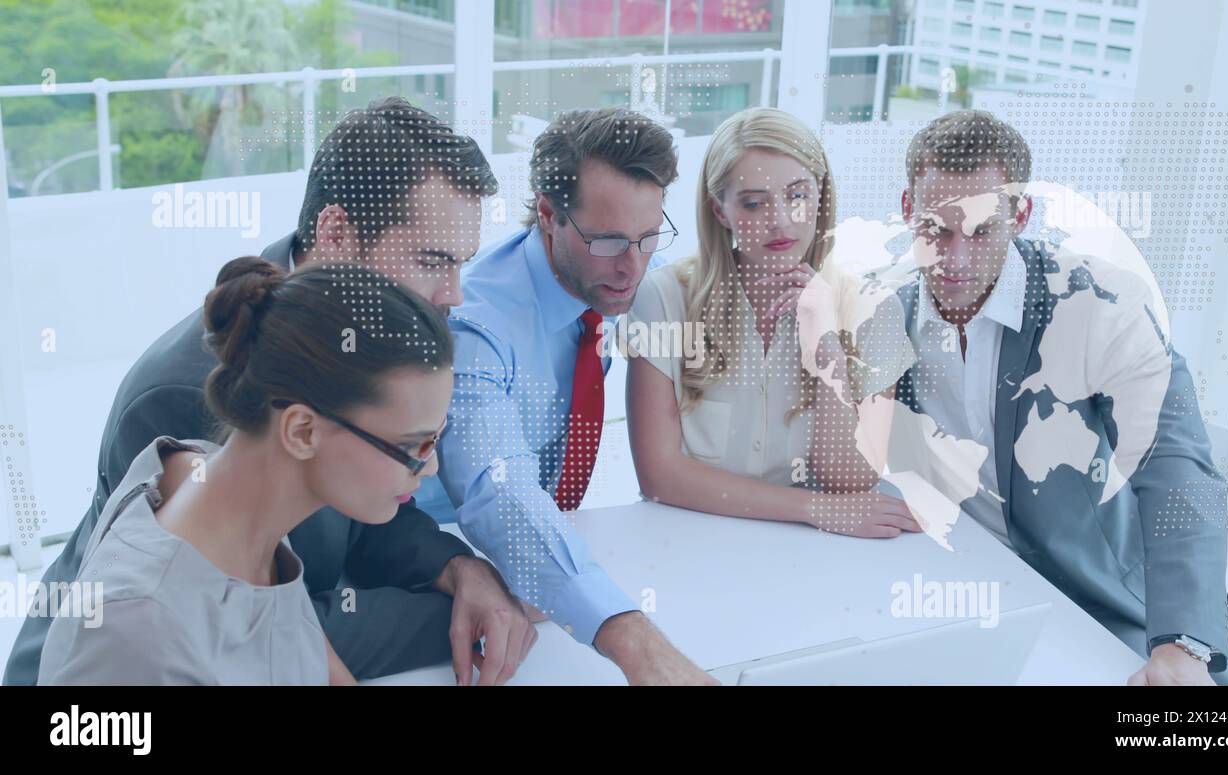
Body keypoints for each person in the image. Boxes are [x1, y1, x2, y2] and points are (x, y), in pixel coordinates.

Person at [6, 97, 534, 687]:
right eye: (434, 260)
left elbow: (353, 505)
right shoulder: (190, 395)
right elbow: (263, 630)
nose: (455, 294)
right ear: (336, 232)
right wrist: (469, 615)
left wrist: (460, 569)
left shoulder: (355, 356)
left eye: (464, 263)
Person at [39, 257, 509, 684]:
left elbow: (298, 643)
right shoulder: (140, 630)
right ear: (302, 431)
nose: (431, 468)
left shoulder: (235, 504)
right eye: (413, 445)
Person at [891, 109, 1228, 685]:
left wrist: (1184, 643)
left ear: (1020, 214)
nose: (954, 259)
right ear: (907, 209)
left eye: (980, 231)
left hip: (1099, 602)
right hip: (960, 594)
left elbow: (1179, 468)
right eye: (936, 230)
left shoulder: (1099, 306)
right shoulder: (890, 318)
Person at [418, 107, 715, 684]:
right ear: (549, 215)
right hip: (451, 575)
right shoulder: (477, 328)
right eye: (607, 241)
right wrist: (633, 640)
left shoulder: (595, 283)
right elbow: (498, 492)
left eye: (649, 237)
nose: (633, 267)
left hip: (546, 571)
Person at [624, 107, 918, 537]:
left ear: (821, 193)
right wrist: (816, 508)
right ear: (720, 210)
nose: (780, 220)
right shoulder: (663, 297)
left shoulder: (873, 308)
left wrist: (826, 346)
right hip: (688, 540)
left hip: (811, 556)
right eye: (754, 203)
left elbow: (851, 479)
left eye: (797, 195)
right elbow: (658, 477)